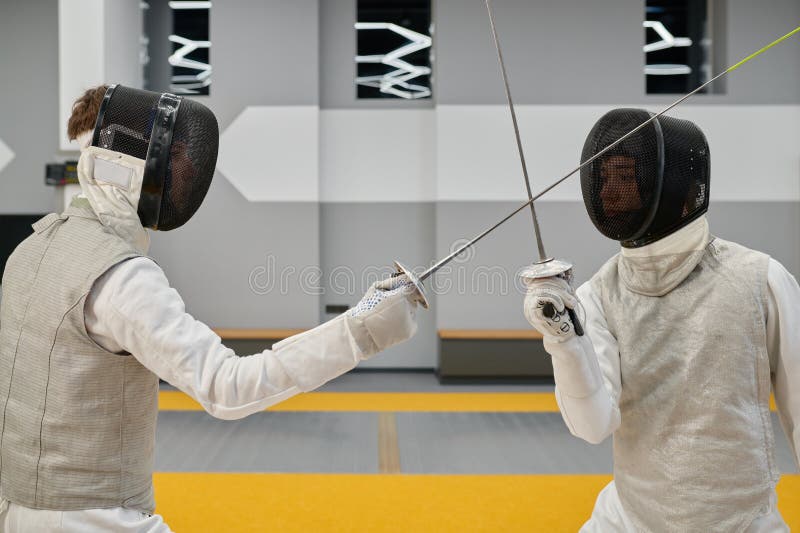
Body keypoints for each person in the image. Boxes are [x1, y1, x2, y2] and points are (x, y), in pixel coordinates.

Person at [0, 85, 421, 532]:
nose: (185, 168)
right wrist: (361, 329)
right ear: (129, 162)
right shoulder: (119, 276)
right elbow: (227, 386)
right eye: (173, 154)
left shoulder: (30, 248)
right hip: (96, 520)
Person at [522, 108, 799, 532]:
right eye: (604, 178)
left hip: (744, 522)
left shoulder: (758, 279)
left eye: (627, 176)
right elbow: (592, 425)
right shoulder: (598, 294)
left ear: (678, 188)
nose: (610, 192)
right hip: (629, 521)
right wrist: (563, 339)